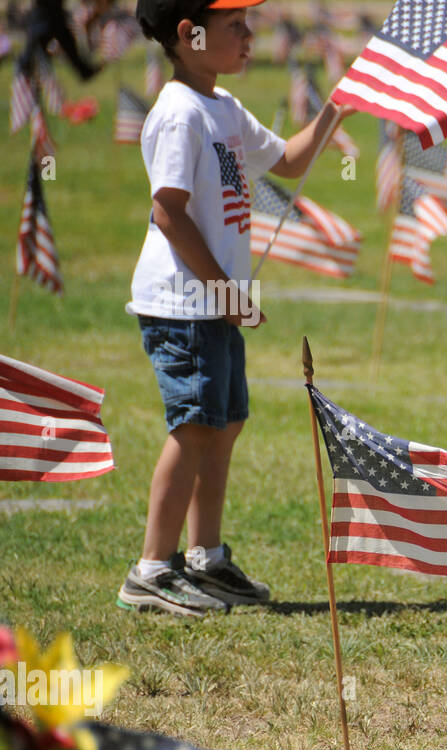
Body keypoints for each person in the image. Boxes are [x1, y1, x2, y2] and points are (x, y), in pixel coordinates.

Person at [116, 0, 351, 616]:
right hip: (185, 301)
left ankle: (206, 559)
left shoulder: (223, 107)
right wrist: (224, 290)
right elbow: (166, 211)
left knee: (223, 425)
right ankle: (150, 571)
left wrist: (337, 106)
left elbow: (290, 161)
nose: (249, 37)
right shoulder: (179, 114)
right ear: (190, 37)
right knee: (193, 427)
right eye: (234, 28)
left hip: (215, 301)